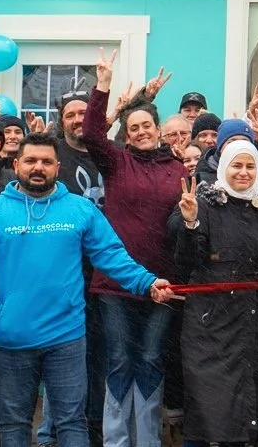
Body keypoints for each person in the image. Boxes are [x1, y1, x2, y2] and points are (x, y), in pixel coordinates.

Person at [0, 133, 179, 447]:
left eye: (46, 161)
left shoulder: (80, 209)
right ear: (16, 164)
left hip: (66, 337)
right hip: (11, 338)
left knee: (71, 422)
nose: (39, 167)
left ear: (57, 166)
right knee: (13, 424)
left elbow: (110, 255)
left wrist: (146, 282)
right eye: (31, 160)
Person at [81, 53, 187, 447]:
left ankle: (147, 439)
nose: (141, 132)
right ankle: (115, 439)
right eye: (134, 127)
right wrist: (103, 86)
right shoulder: (116, 162)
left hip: (162, 283)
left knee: (151, 359)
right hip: (115, 282)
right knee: (120, 359)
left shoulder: (178, 170)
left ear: (159, 130)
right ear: (126, 135)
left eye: (147, 126)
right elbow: (91, 134)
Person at [172, 136, 258, 445]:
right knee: (207, 412)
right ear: (224, 166)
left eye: (250, 166)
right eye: (237, 165)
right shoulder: (205, 204)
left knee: (247, 410)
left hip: (251, 322)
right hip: (209, 324)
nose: (243, 172)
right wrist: (191, 223)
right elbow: (186, 263)